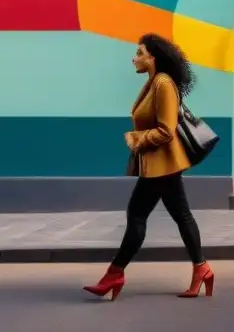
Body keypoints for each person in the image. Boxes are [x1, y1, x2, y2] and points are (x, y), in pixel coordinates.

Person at [83, 33, 214, 301]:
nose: (135, 58)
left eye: (140, 53)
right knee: (180, 215)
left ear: (153, 57)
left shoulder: (163, 84)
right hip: (160, 164)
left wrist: (136, 139)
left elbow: (166, 130)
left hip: (163, 164)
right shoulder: (154, 82)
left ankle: (115, 274)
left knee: (139, 214)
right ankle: (202, 268)